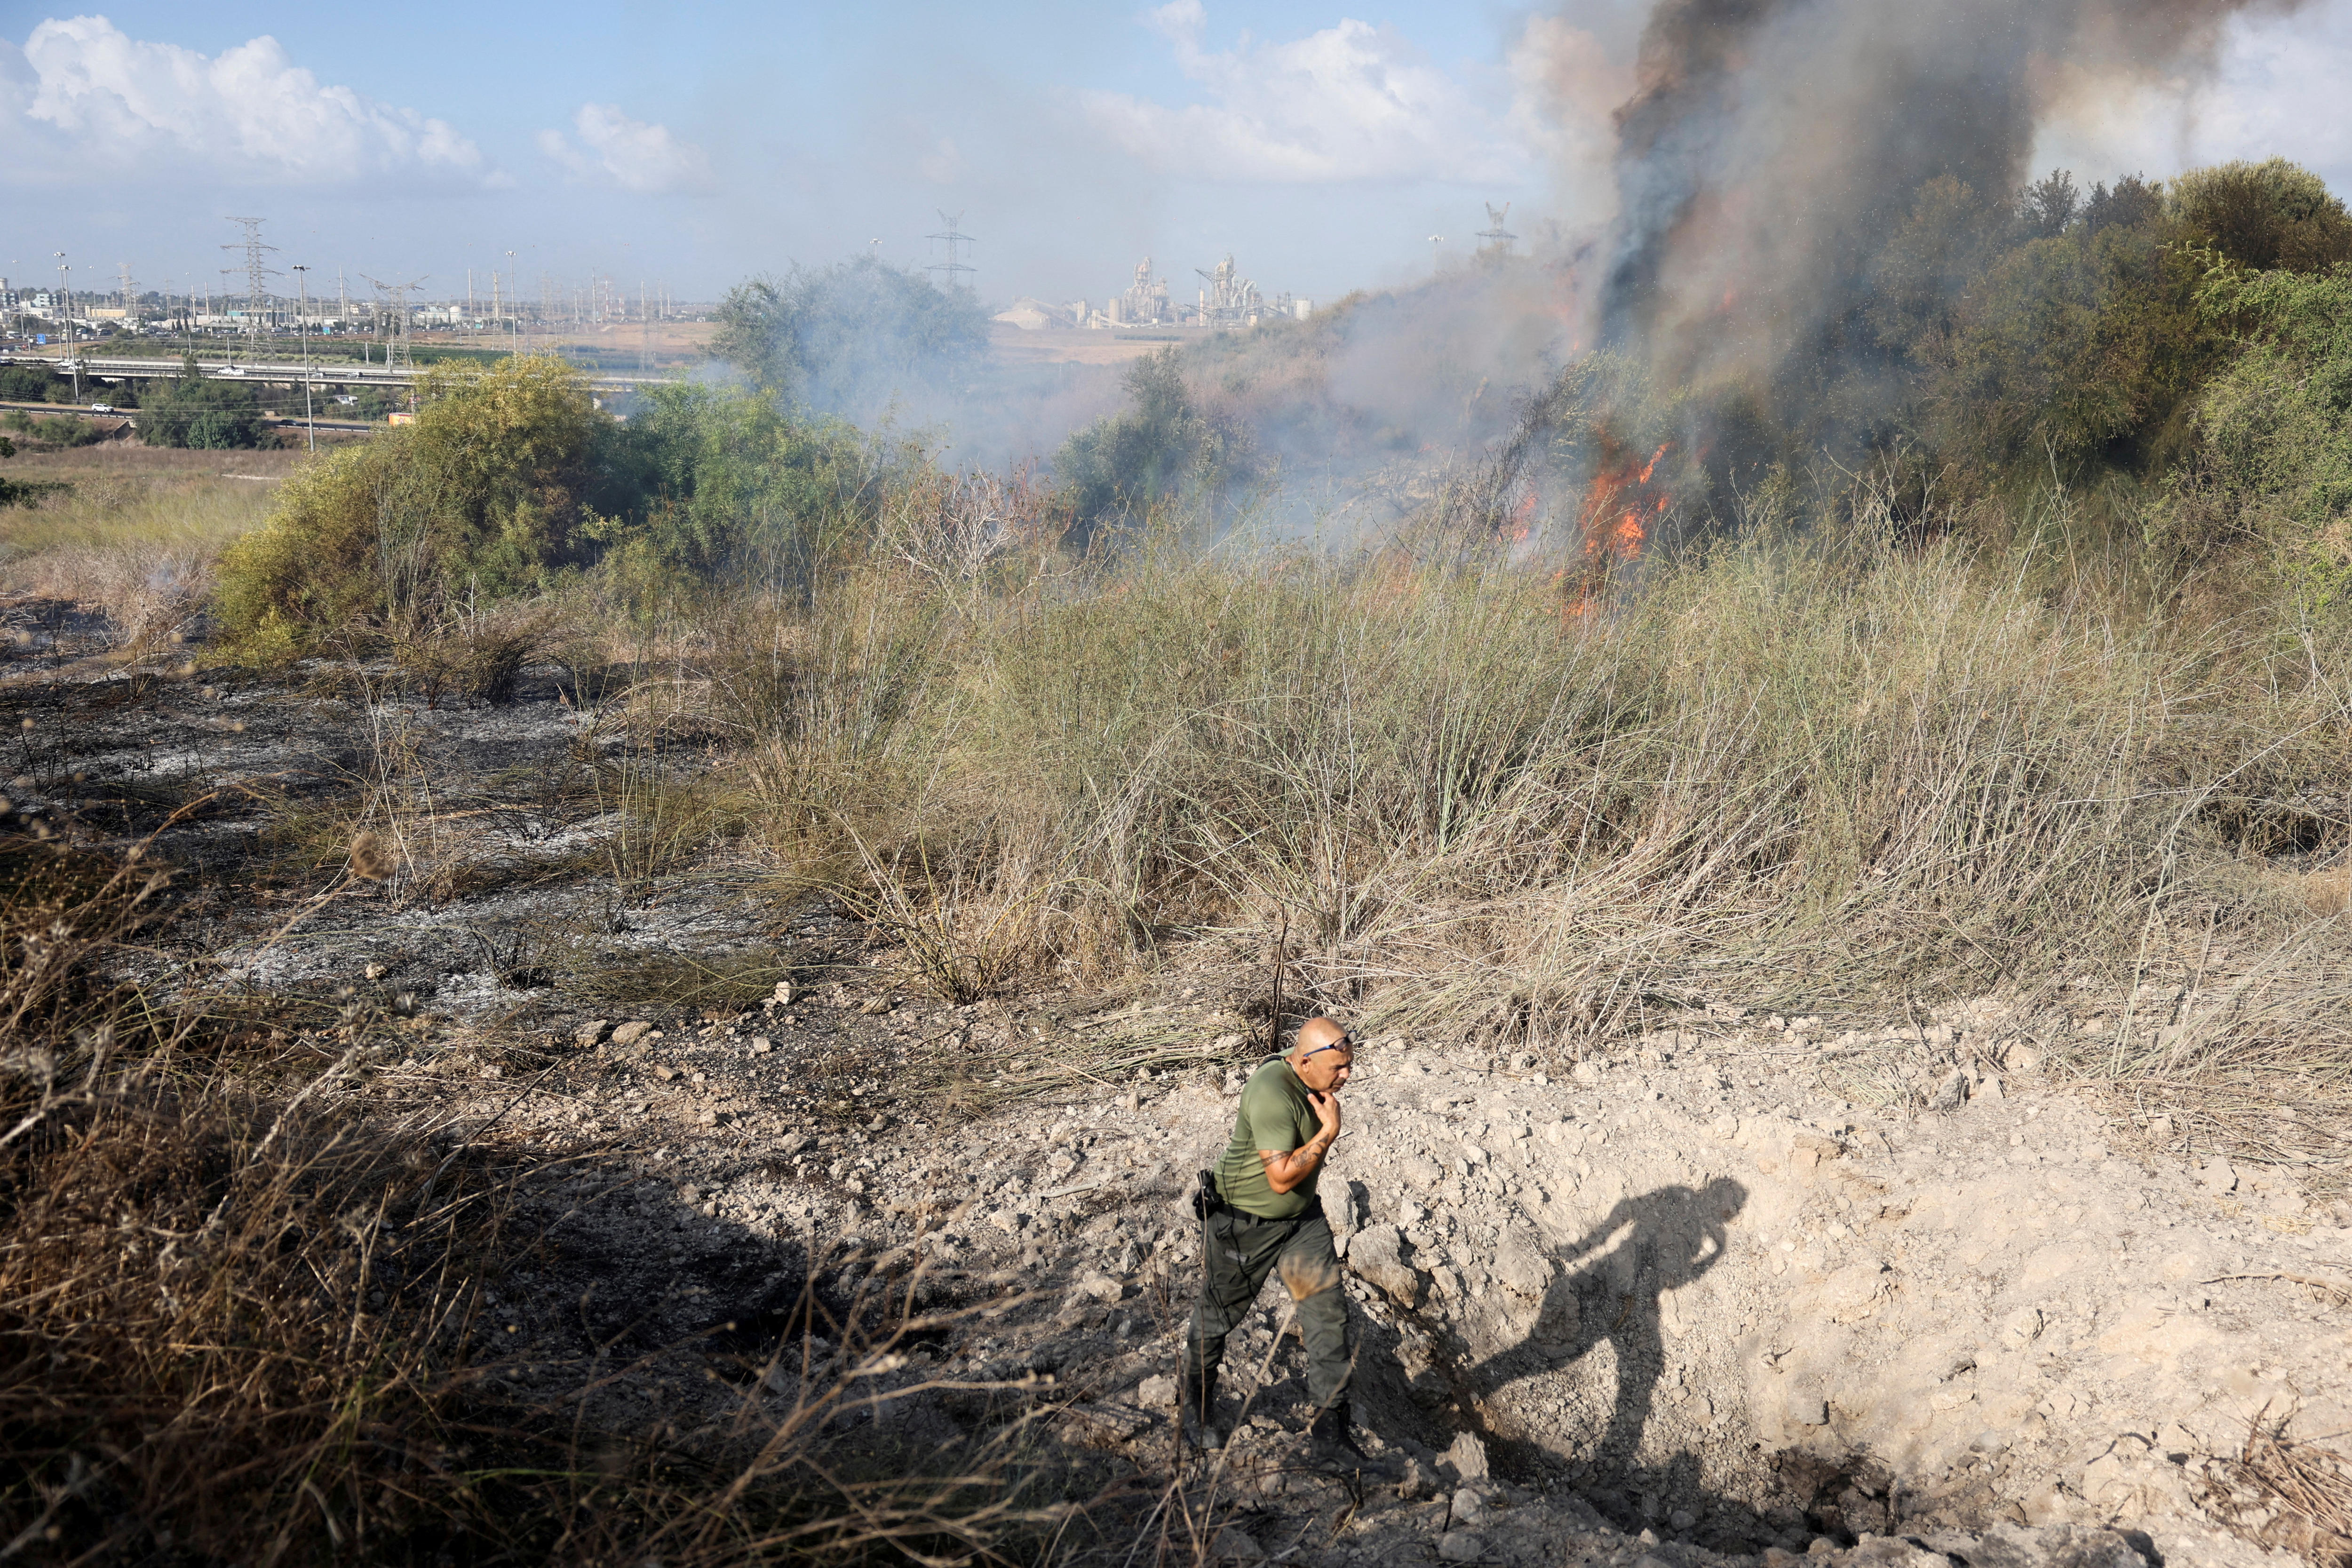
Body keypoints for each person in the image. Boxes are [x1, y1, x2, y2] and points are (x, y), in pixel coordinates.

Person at [1181, 1015, 1381, 1471]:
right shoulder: (1272, 1093)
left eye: (1349, 1066)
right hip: (1244, 1223)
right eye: (1337, 1069)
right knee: (1218, 1316)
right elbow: (1280, 1178)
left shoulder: (1313, 1080)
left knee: (1326, 1314)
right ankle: (1195, 1406)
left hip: (1299, 1223)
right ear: (1305, 1062)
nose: (1346, 1077)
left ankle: (1330, 1436)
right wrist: (1328, 1132)